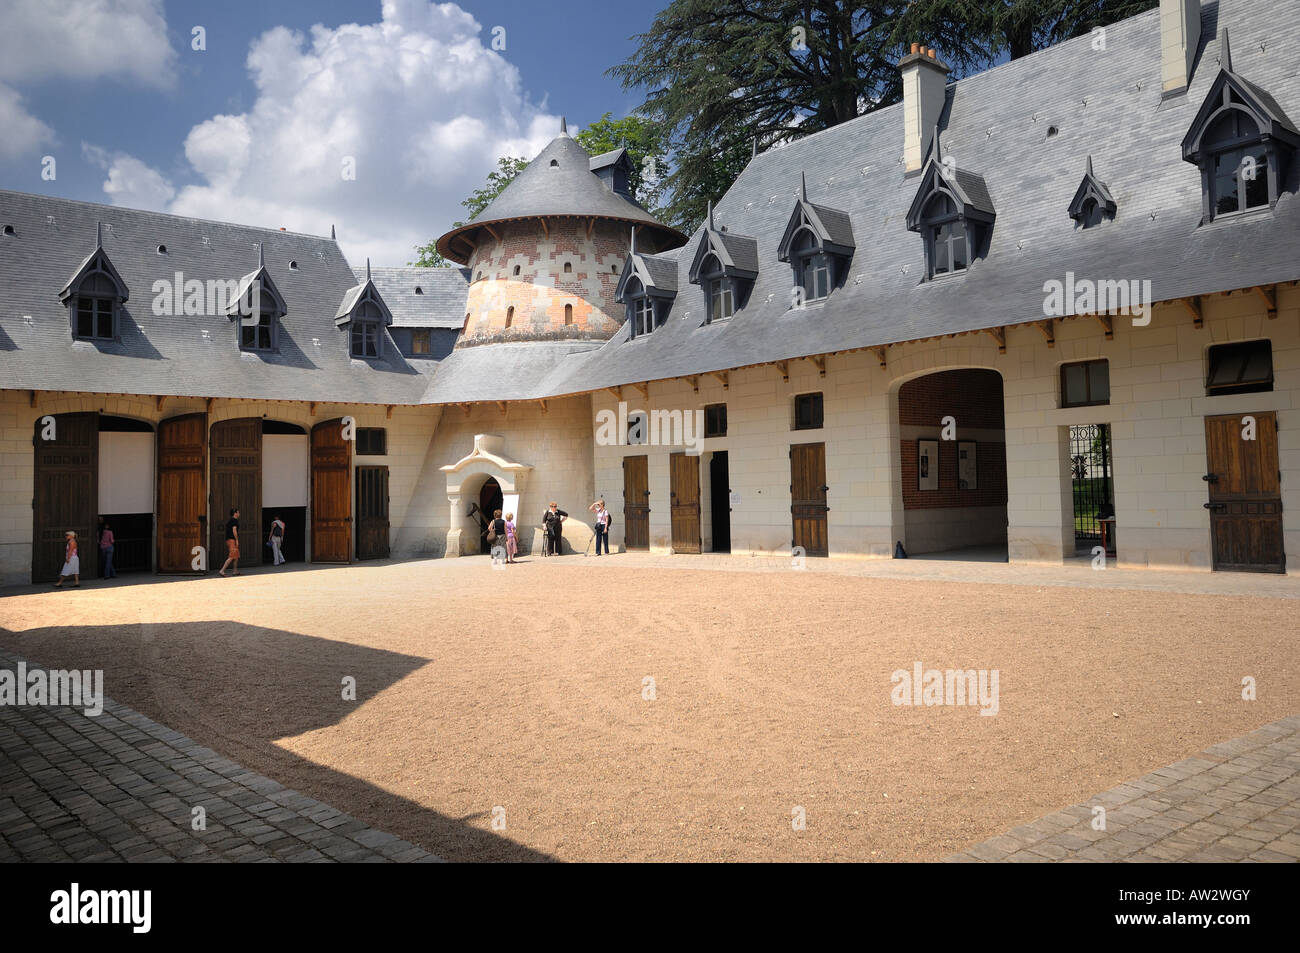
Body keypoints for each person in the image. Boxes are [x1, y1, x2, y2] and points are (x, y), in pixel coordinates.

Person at [219, 507, 240, 577]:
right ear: (235, 513)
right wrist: (237, 540)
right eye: (238, 512)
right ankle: (222, 570)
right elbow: (234, 530)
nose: (239, 513)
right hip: (232, 540)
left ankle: (235, 571)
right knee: (231, 556)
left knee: (236, 556)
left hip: (229, 539)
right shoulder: (234, 521)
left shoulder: (231, 520)